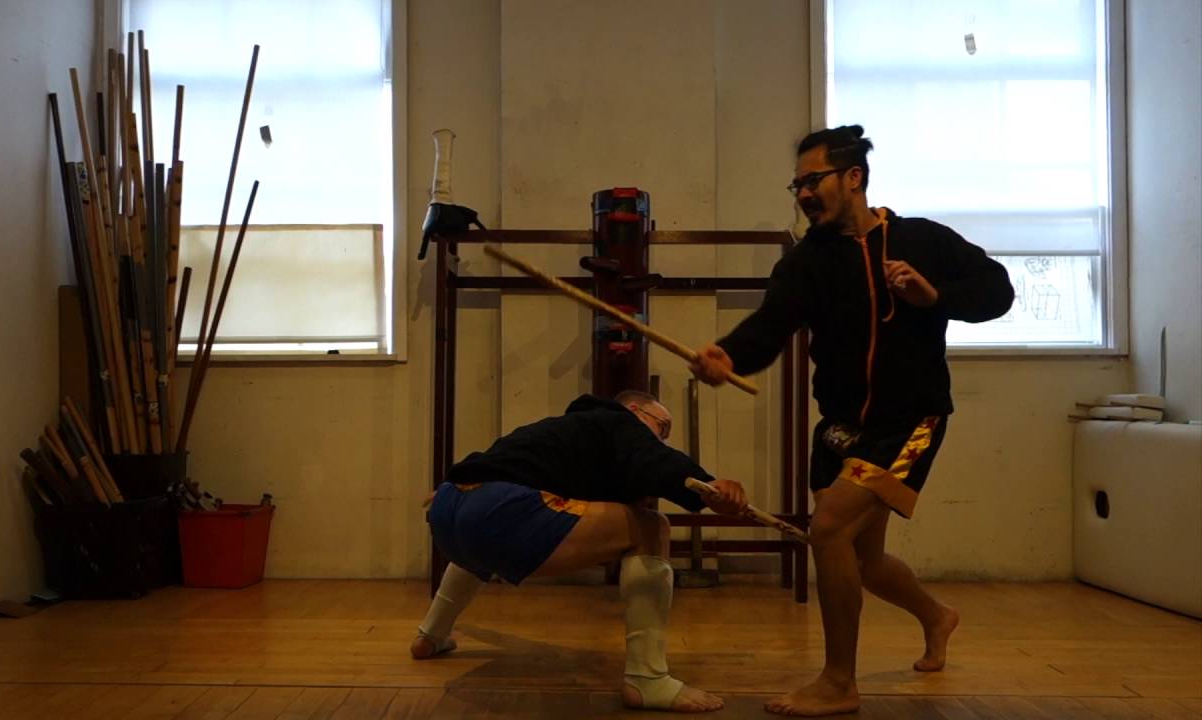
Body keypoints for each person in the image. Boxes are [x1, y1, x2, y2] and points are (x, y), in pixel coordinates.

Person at [691, 125, 1015, 716]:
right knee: (861, 561)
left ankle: (839, 683)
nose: (803, 194)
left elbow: (998, 291)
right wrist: (727, 356)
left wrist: (933, 296)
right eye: (797, 184)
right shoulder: (807, 262)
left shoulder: (922, 240)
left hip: (909, 421)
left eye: (812, 181)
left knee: (829, 530)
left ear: (853, 178)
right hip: (839, 426)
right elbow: (769, 326)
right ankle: (938, 617)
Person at [412, 390, 749, 713]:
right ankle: (648, 680)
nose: (660, 440)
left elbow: (500, 466)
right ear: (634, 411)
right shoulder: (619, 422)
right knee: (652, 527)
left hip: (448, 505)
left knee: (483, 534)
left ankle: (431, 635)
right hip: (496, 511)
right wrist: (708, 486)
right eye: (661, 428)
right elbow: (655, 458)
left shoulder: (566, 432)